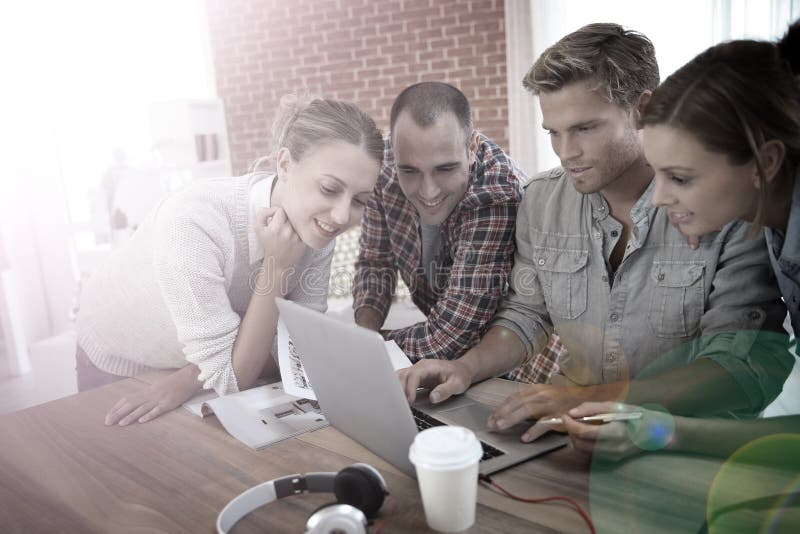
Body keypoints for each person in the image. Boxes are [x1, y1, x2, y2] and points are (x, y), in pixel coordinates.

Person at [398, 23, 792, 442]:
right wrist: (465, 367)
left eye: (585, 128)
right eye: (553, 132)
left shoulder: (726, 204)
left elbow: (738, 366)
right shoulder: (542, 201)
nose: (567, 152)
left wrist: (602, 400)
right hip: (571, 432)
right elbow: (527, 313)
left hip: (690, 446)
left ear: (644, 108)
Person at [563, 21, 800, 461]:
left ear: (765, 163)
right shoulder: (770, 219)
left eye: (680, 178)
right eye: (658, 172)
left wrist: (663, 431)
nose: (660, 197)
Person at [76, 96, 384, 426]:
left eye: (360, 201)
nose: (341, 215)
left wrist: (197, 374)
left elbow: (294, 352)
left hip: (193, 368)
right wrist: (276, 269)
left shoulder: (317, 228)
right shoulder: (194, 222)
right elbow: (231, 379)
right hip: (120, 355)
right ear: (284, 164)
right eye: (328, 188)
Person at [353, 81, 564, 372]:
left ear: (472, 147)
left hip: (518, 371)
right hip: (442, 367)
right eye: (410, 171)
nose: (428, 191)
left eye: (446, 169)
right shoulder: (383, 164)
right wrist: (363, 331)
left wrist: (366, 348)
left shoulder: (498, 191)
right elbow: (375, 263)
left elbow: (449, 337)